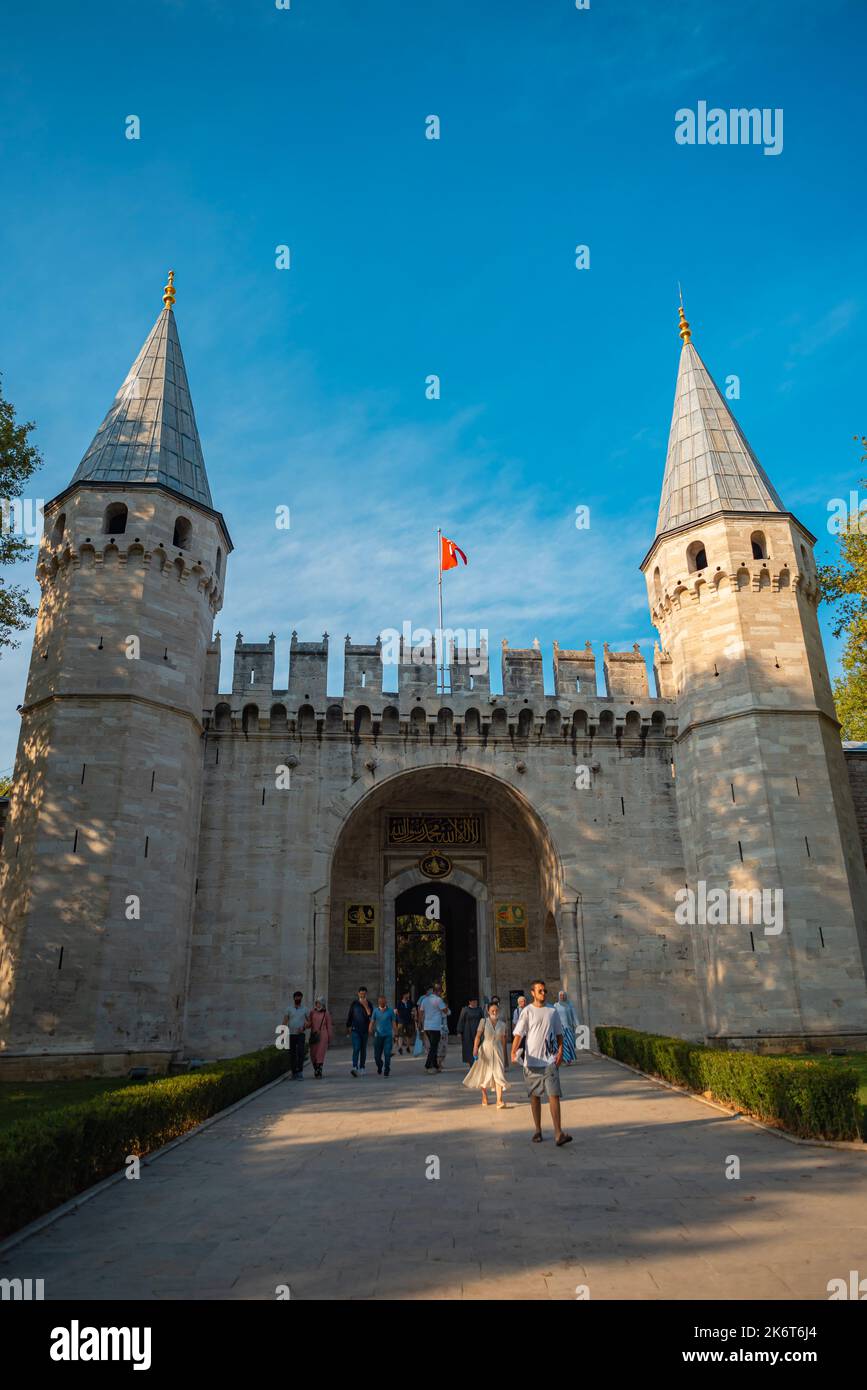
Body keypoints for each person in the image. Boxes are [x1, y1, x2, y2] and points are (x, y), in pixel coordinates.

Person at [511, 979, 572, 1147]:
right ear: (532, 993)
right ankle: (537, 1130)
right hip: (531, 1061)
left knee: (554, 1095)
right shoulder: (527, 1011)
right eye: (540, 991)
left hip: (550, 1060)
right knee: (535, 1096)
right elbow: (519, 1034)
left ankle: (558, 1133)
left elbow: (559, 1033)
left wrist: (560, 1051)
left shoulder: (552, 1011)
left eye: (544, 991)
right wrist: (513, 1051)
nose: (543, 993)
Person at [462, 1001, 510, 1108]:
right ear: (488, 1011)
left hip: (498, 1051)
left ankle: (499, 1100)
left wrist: (505, 1056)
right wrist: (475, 1048)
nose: (494, 1012)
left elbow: (503, 1040)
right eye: (492, 1010)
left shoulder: (502, 1025)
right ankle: (484, 1096)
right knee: (484, 1074)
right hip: (485, 1051)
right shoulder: (483, 1021)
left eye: (496, 1010)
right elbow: (478, 1036)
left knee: (499, 1075)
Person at [418, 983, 447, 1072]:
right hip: (435, 1026)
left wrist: (420, 1023)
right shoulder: (438, 1000)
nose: (441, 994)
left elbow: (421, 1012)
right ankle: (427, 1065)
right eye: (440, 992)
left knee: (433, 1045)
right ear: (437, 991)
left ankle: (435, 1065)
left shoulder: (425, 1000)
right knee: (434, 1046)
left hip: (427, 1026)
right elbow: (445, 1011)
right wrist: (445, 1008)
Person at [346, 987, 373, 1076]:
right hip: (355, 1030)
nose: (362, 995)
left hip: (365, 1030)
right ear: (358, 993)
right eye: (361, 993)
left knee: (363, 1049)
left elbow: (370, 1015)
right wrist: (348, 1026)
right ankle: (354, 1067)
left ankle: (362, 1067)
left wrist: (365, 1006)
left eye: (364, 994)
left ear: (366, 994)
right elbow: (350, 1014)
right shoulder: (354, 1003)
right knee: (356, 1048)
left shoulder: (369, 1004)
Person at [282, 990, 308, 1079]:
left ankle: (300, 1072)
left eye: (299, 997)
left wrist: (304, 1027)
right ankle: (294, 1073)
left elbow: (309, 1022)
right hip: (291, 1034)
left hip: (300, 1034)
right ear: (294, 998)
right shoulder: (289, 1009)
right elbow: (285, 1021)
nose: (298, 998)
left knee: (301, 1052)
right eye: (296, 997)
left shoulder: (305, 1009)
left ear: (301, 998)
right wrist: (282, 1034)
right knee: (292, 1054)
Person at [370, 994, 397, 1076]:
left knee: (387, 1053)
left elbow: (393, 1022)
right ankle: (380, 1065)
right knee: (376, 1056)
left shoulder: (390, 1011)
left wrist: (396, 1033)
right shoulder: (375, 1011)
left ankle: (387, 1069)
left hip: (388, 1036)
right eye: (380, 1001)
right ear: (378, 1002)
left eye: (383, 1001)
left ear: (386, 1002)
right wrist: (370, 1028)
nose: (381, 1002)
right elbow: (372, 1021)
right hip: (378, 1036)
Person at [307, 995, 333, 1078]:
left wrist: (329, 1038)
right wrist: (304, 1026)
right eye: (317, 1003)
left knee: (320, 1053)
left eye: (319, 1003)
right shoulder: (312, 1012)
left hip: (323, 1036)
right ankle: (316, 1068)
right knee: (313, 1054)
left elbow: (329, 1026)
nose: (318, 1005)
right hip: (314, 1035)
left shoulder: (326, 1013)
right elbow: (309, 1023)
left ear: (322, 1004)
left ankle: (319, 1071)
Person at [456, 998, 484, 1066]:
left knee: (478, 1045)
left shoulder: (479, 1009)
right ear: (470, 1002)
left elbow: (483, 1019)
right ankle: (471, 1063)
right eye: (473, 1002)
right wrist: (459, 1031)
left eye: (476, 1001)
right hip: (467, 1031)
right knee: (468, 1047)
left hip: (478, 1030)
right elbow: (461, 1020)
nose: (475, 1003)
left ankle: (477, 1061)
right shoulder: (465, 1010)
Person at [554, 990, 579, 1065]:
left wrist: (577, 1025)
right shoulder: (556, 1005)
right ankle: (566, 1059)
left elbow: (574, 1015)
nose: (562, 996)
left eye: (563, 995)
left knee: (570, 1043)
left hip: (569, 1027)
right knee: (563, 1044)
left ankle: (569, 1058)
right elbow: (554, 1016)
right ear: (559, 996)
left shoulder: (569, 1005)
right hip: (560, 1028)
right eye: (560, 995)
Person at [437, 997, 451, 1068]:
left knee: (445, 1047)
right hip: (439, 1031)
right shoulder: (438, 1011)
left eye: (446, 1005)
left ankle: (440, 1062)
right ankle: (438, 1062)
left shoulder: (446, 1010)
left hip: (445, 1031)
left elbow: (448, 1012)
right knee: (439, 1047)